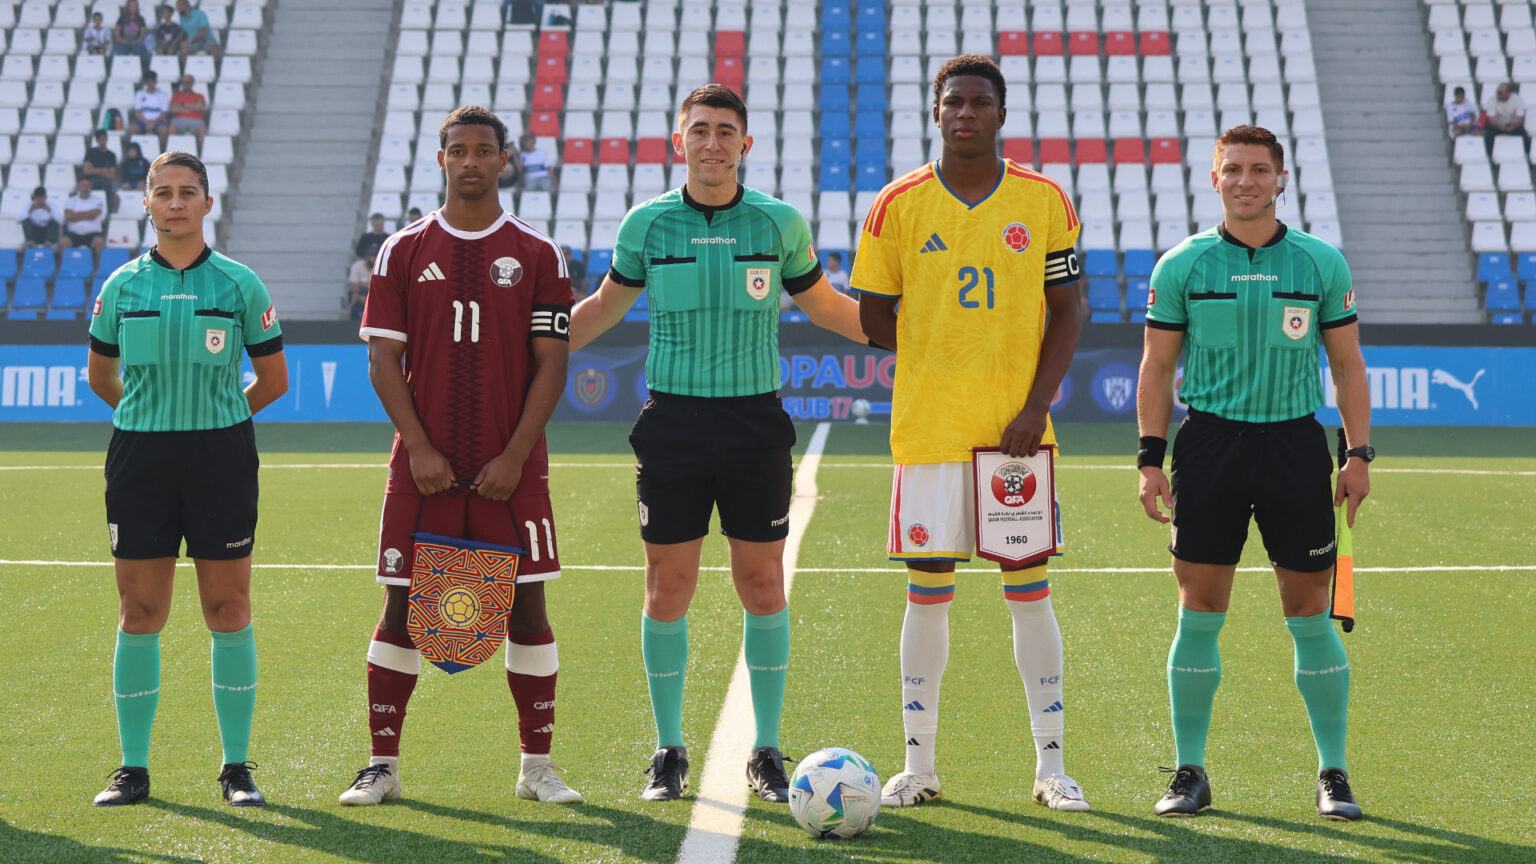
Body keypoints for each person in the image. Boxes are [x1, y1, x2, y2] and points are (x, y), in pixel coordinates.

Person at [569, 84, 866, 803]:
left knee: (762, 584)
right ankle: (669, 749)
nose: (711, 142)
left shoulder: (777, 222)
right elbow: (604, 308)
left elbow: (825, 306)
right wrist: (529, 349)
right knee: (668, 588)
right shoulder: (647, 226)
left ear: (745, 145)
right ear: (680, 141)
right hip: (671, 424)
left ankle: (765, 750)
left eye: (724, 131)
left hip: (753, 424)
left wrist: (916, 336)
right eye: (698, 130)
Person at [851, 54, 1090, 813]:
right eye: (953, 101)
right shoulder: (897, 205)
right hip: (928, 435)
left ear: (1001, 113)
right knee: (928, 596)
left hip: (1015, 441)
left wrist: (1034, 405)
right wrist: (938, 356)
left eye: (980, 102)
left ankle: (1052, 767)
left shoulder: (1044, 199)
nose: (965, 113)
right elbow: (873, 314)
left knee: (1029, 596)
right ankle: (917, 767)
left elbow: (1071, 308)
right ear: (935, 112)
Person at [338, 106, 582, 808]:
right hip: (422, 469)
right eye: (458, 150)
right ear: (440, 159)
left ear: (505, 159)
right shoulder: (402, 250)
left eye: (484, 150)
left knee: (527, 608)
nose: (471, 161)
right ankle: (381, 764)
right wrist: (418, 445)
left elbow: (551, 366)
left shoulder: (539, 254)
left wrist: (513, 455)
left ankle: (536, 767)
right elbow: (383, 359)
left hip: (514, 472)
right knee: (402, 609)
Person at [1136, 125, 1371, 821]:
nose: (1246, 180)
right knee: (1200, 611)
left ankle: (1333, 772)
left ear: (1281, 179)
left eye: (1259, 169)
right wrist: (1151, 460)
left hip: (1296, 448)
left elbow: (1348, 366)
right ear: (1215, 179)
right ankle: (1189, 772)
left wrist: (1358, 454)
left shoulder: (1319, 263)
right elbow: (1156, 367)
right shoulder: (1182, 265)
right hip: (1209, 446)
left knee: (1309, 615)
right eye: (1233, 169)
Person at [85, 151, 289, 807]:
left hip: (220, 459)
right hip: (139, 461)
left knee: (227, 609)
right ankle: (133, 770)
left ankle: (235, 769)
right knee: (139, 612)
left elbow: (275, 381)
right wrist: (148, 420)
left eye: (188, 192)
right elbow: (101, 377)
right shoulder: (120, 287)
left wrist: (220, 418)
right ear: (146, 203)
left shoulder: (239, 285)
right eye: (163, 192)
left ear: (207, 203)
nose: (175, 203)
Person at [63, 177, 109, 257]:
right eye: (83, 185)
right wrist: (88, 215)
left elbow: (93, 215)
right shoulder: (71, 200)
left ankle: (98, 269)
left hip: (92, 234)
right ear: (78, 187)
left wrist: (76, 215)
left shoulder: (97, 200)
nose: (85, 188)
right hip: (73, 234)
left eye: (87, 185)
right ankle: (62, 268)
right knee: (63, 242)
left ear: (91, 187)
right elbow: (69, 216)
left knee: (99, 242)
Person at [1483, 81, 1529, 157]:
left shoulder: (1517, 100)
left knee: (1524, 133)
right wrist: (1502, 127)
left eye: (1500, 93)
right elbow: (1491, 119)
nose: (1498, 94)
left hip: (1513, 125)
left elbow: (1520, 119)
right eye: (1497, 92)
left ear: (1508, 93)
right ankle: (1489, 155)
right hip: (1497, 125)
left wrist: (1513, 126)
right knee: (1488, 132)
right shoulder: (1492, 100)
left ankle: (1526, 154)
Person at [130, 71, 172, 150]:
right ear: (145, 83)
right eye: (148, 82)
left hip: (158, 121)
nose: (150, 84)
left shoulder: (163, 95)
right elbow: (137, 112)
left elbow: (164, 113)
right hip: (142, 121)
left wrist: (152, 123)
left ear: (155, 82)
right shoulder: (139, 94)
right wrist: (147, 123)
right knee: (131, 129)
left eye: (151, 81)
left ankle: (161, 152)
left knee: (164, 130)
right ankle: (131, 152)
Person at [169, 75, 208, 147]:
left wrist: (183, 105)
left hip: (196, 120)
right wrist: (193, 107)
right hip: (179, 120)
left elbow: (201, 107)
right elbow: (174, 109)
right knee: (172, 129)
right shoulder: (176, 95)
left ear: (192, 84)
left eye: (187, 82)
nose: (184, 84)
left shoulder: (199, 96)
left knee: (202, 130)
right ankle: (171, 154)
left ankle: (201, 153)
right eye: (182, 82)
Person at [346, 244, 376, 319]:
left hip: (375, 295)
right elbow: (353, 286)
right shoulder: (357, 266)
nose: (373, 258)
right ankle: (354, 317)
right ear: (366, 257)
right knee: (354, 294)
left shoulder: (381, 267)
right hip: (362, 295)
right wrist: (368, 288)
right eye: (371, 256)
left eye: (375, 256)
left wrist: (363, 285)